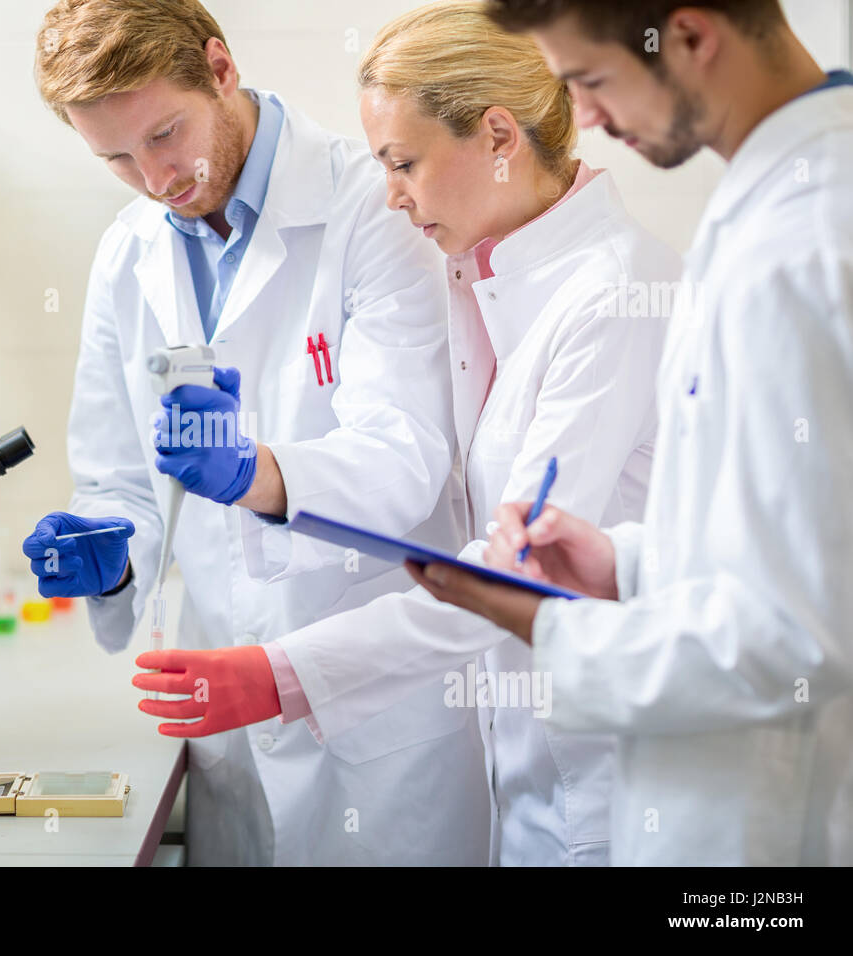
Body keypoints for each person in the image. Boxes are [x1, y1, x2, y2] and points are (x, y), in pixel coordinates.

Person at [134, 0, 682, 866]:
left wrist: (282, 673)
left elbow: (516, 575)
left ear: (499, 135)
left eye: (404, 163)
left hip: (612, 792)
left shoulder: (613, 296)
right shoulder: (485, 277)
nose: (391, 197)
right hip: (529, 771)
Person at [24, 0, 482, 865]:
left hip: (376, 709)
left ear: (221, 67)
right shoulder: (127, 253)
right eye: (116, 157)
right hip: (224, 700)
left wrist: (256, 474)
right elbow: (120, 478)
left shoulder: (372, 210)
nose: (155, 177)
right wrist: (107, 547)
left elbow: (406, 453)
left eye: (165, 133)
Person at [413, 0, 853, 865]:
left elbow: (799, 636)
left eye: (592, 81)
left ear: (689, 36)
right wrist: (630, 564)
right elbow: (793, 537)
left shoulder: (805, 244)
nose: (592, 120)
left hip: (767, 847)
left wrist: (554, 629)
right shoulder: (768, 208)